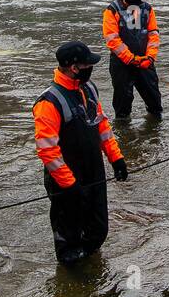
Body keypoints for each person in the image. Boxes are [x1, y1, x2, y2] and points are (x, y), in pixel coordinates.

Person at [34, 42, 126, 266]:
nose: (91, 68)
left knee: (98, 229)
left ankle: (93, 267)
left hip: (93, 170)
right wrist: (69, 184)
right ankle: (72, 275)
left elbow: (102, 125)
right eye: (87, 64)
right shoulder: (48, 102)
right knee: (70, 239)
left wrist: (116, 158)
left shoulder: (89, 89)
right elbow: (47, 150)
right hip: (65, 178)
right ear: (74, 68)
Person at [99, 0, 162, 119]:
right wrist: (131, 59)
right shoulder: (112, 9)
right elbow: (112, 40)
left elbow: (153, 34)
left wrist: (150, 57)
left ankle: (154, 127)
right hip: (121, 64)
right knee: (122, 107)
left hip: (145, 62)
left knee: (155, 103)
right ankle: (123, 132)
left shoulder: (148, 9)